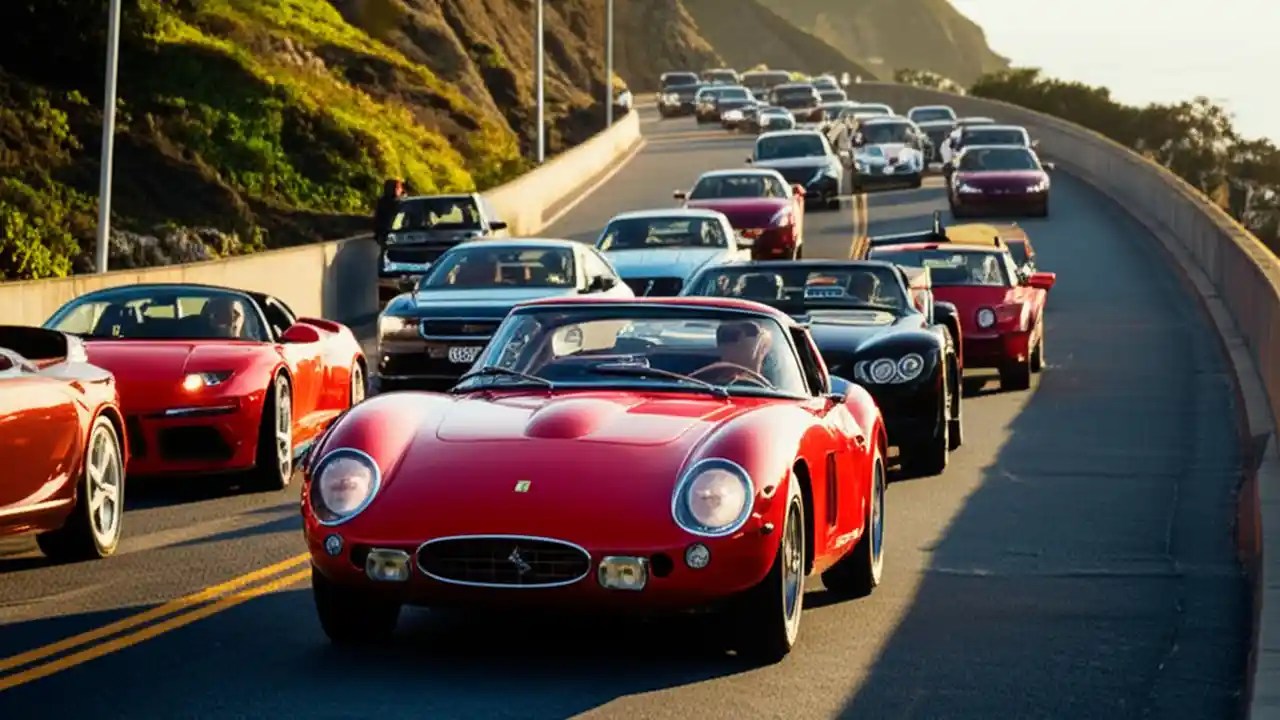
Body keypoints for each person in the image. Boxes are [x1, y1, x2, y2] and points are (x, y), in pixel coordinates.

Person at [373, 178, 404, 244]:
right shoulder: (400, 202)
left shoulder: (381, 201)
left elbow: (377, 218)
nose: (401, 190)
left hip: (385, 231)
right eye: (399, 188)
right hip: (394, 232)